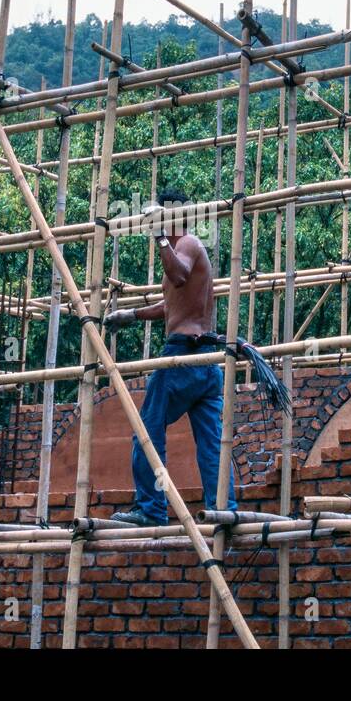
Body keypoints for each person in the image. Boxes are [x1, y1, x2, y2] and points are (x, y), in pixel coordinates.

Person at [102, 189, 235, 527]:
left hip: (183, 355)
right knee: (211, 438)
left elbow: (177, 275)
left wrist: (160, 236)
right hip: (205, 360)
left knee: (147, 428)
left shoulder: (186, 244)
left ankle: (151, 509)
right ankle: (224, 507)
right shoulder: (185, 250)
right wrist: (132, 314)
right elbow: (171, 305)